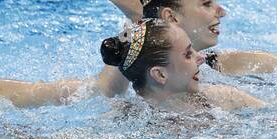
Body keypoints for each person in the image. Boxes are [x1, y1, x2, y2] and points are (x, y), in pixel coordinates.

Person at [85, 0, 277, 74]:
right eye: (207, 3)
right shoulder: (145, 77)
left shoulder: (218, 63)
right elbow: (110, 88)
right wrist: (135, 19)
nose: (222, 12)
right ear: (171, 18)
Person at [99, 19, 264, 111]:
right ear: (160, 74)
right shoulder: (125, 118)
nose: (201, 57)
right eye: (188, 54)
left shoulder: (223, 98)